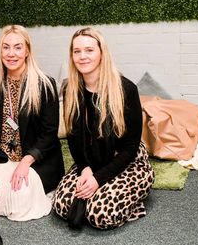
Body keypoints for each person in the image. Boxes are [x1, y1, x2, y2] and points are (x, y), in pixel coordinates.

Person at [53, 28, 154, 230]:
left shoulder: (126, 89)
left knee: (100, 216)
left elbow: (130, 147)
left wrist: (98, 180)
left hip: (126, 161)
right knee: (62, 205)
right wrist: (85, 170)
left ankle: (133, 201)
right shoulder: (70, 90)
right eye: (77, 51)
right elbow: (73, 140)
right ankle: (102, 193)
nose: (82, 57)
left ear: (101, 53)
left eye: (89, 50)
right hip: (90, 159)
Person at [0, 25, 63, 220]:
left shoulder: (45, 84)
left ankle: (42, 191)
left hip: (34, 161)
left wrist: (26, 161)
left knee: (19, 203)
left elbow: (49, 133)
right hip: (3, 160)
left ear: (27, 51)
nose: (11, 53)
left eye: (17, 47)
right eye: (6, 47)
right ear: (0, 51)